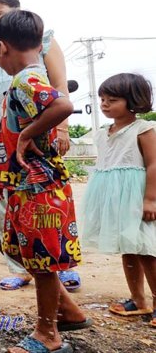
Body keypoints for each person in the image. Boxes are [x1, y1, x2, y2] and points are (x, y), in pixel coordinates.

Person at [0, 0, 80, 291]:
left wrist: (60, 129)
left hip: (40, 135)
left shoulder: (39, 43)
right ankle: (22, 266)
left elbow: (60, 90)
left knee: (45, 201)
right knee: (5, 201)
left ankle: (57, 266)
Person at [0, 10, 88, 353]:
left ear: (1, 47)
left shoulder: (25, 80)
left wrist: (30, 131)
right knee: (34, 258)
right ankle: (69, 312)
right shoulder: (32, 77)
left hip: (39, 189)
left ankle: (48, 335)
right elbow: (12, 136)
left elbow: (62, 104)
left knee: (43, 264)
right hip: (27, 185)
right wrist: (3, 177)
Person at [79, 73, 156, 326]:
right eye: (102, 99)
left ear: (133, 100)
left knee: (146, 250)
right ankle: (138, 300)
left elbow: (153, 164)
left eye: (112, 99)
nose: (104, 104)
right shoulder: (104, 132)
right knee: (127, 248)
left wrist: (150, 200)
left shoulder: (143, 129)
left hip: (137, 197)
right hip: (115, 199)